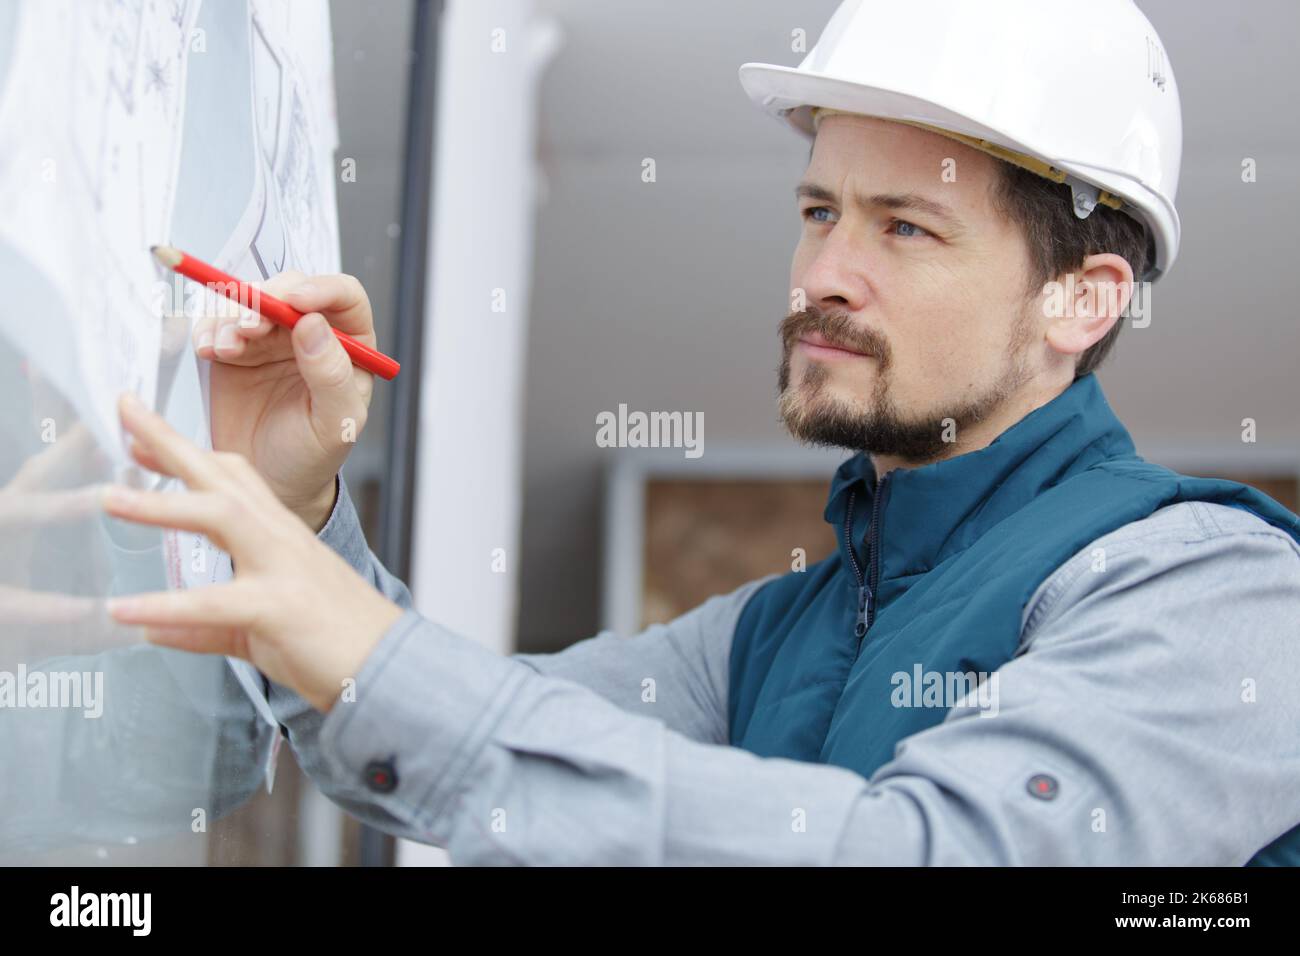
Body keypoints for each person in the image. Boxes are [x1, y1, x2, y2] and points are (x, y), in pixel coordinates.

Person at [101, 0, 1300, 864]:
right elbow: (434, 731)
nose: (823, 271)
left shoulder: (1214, 589)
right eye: (820, 209)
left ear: (1080, 298)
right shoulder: (777, 632)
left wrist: (364, 642)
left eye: (905, 229)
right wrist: (302, 514)